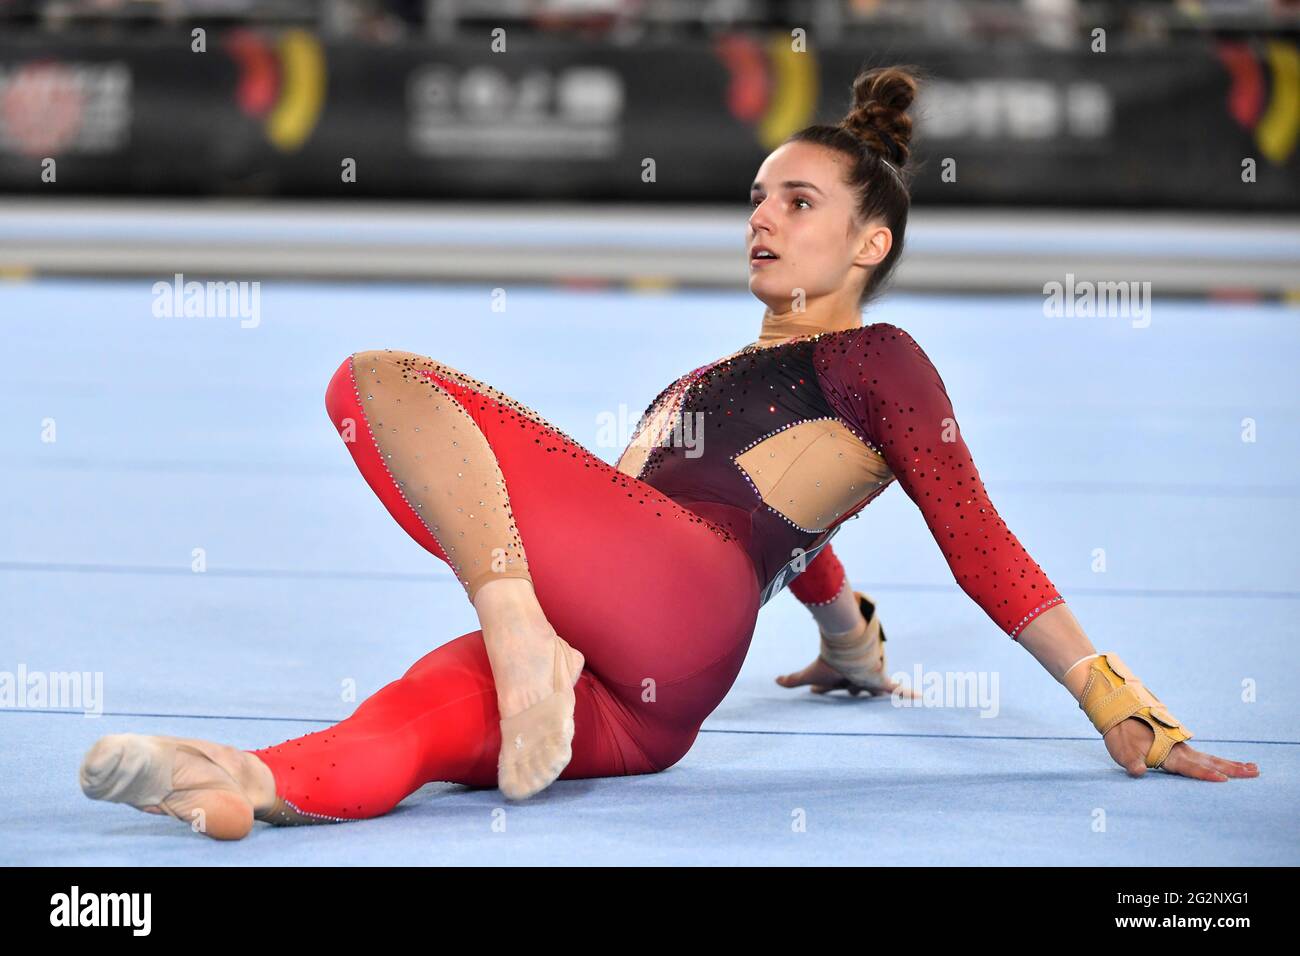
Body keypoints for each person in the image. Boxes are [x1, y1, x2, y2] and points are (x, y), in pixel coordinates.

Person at [78, 64, 1258, 841]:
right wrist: (849, 646)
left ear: (869, 241)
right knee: (417, 723)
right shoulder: (703, 386)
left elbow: (977, 536)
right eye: (755, 196)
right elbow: (796, 540)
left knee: (378, 381)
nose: (759, 216)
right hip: (652, 705)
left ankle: (513, 625)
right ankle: (240, 778)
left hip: (661, 606)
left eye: (798, 202)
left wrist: (1118, 700)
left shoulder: (881, 360)